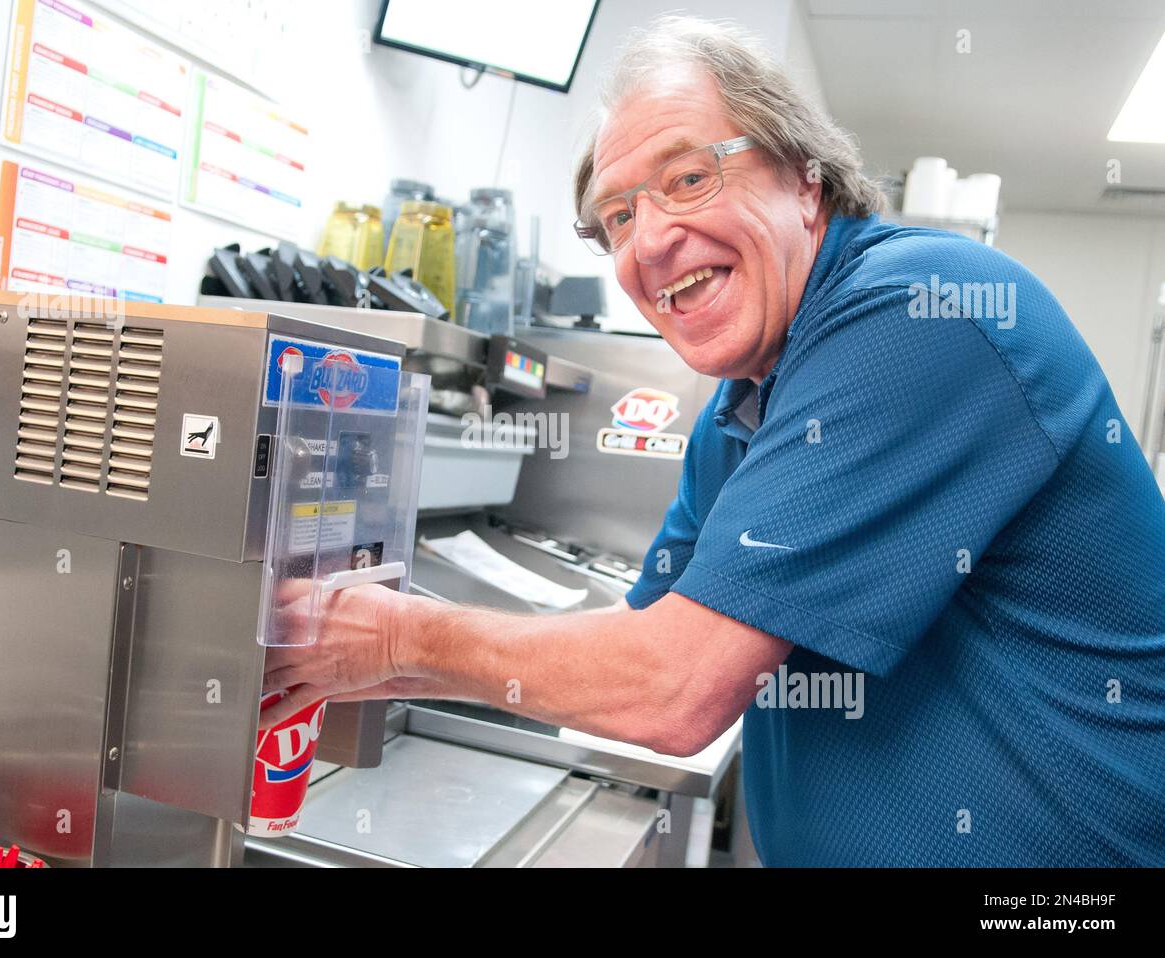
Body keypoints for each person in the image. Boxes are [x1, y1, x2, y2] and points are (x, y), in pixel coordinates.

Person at [261, 16, 1165, 866]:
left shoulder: (922, 311)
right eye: (616, 217)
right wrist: (374, 662)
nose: (650, 238)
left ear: (806, 179)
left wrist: (397, 643)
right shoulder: (742, 407)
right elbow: (642, 639)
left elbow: (675, 687)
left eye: (689, 177)